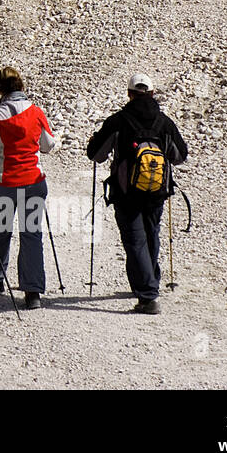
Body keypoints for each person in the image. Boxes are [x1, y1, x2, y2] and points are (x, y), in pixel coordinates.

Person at [86, 72, 189, 315]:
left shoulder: (119, 120)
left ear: (130, 94)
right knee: (151, 234)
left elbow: (96, 155)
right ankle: (147, 280)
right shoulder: (164, 122)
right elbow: (180, 156)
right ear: (153, 94)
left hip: (126, 191)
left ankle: (148, 295)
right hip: (157, 191)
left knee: (134, 240)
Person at [0, 66, 58, 309]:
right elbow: (49, 145)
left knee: (0, 229)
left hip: (5, 183)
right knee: (31, 234)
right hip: (34, 182)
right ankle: (33, 292)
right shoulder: (36, 112)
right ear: (21, 86)